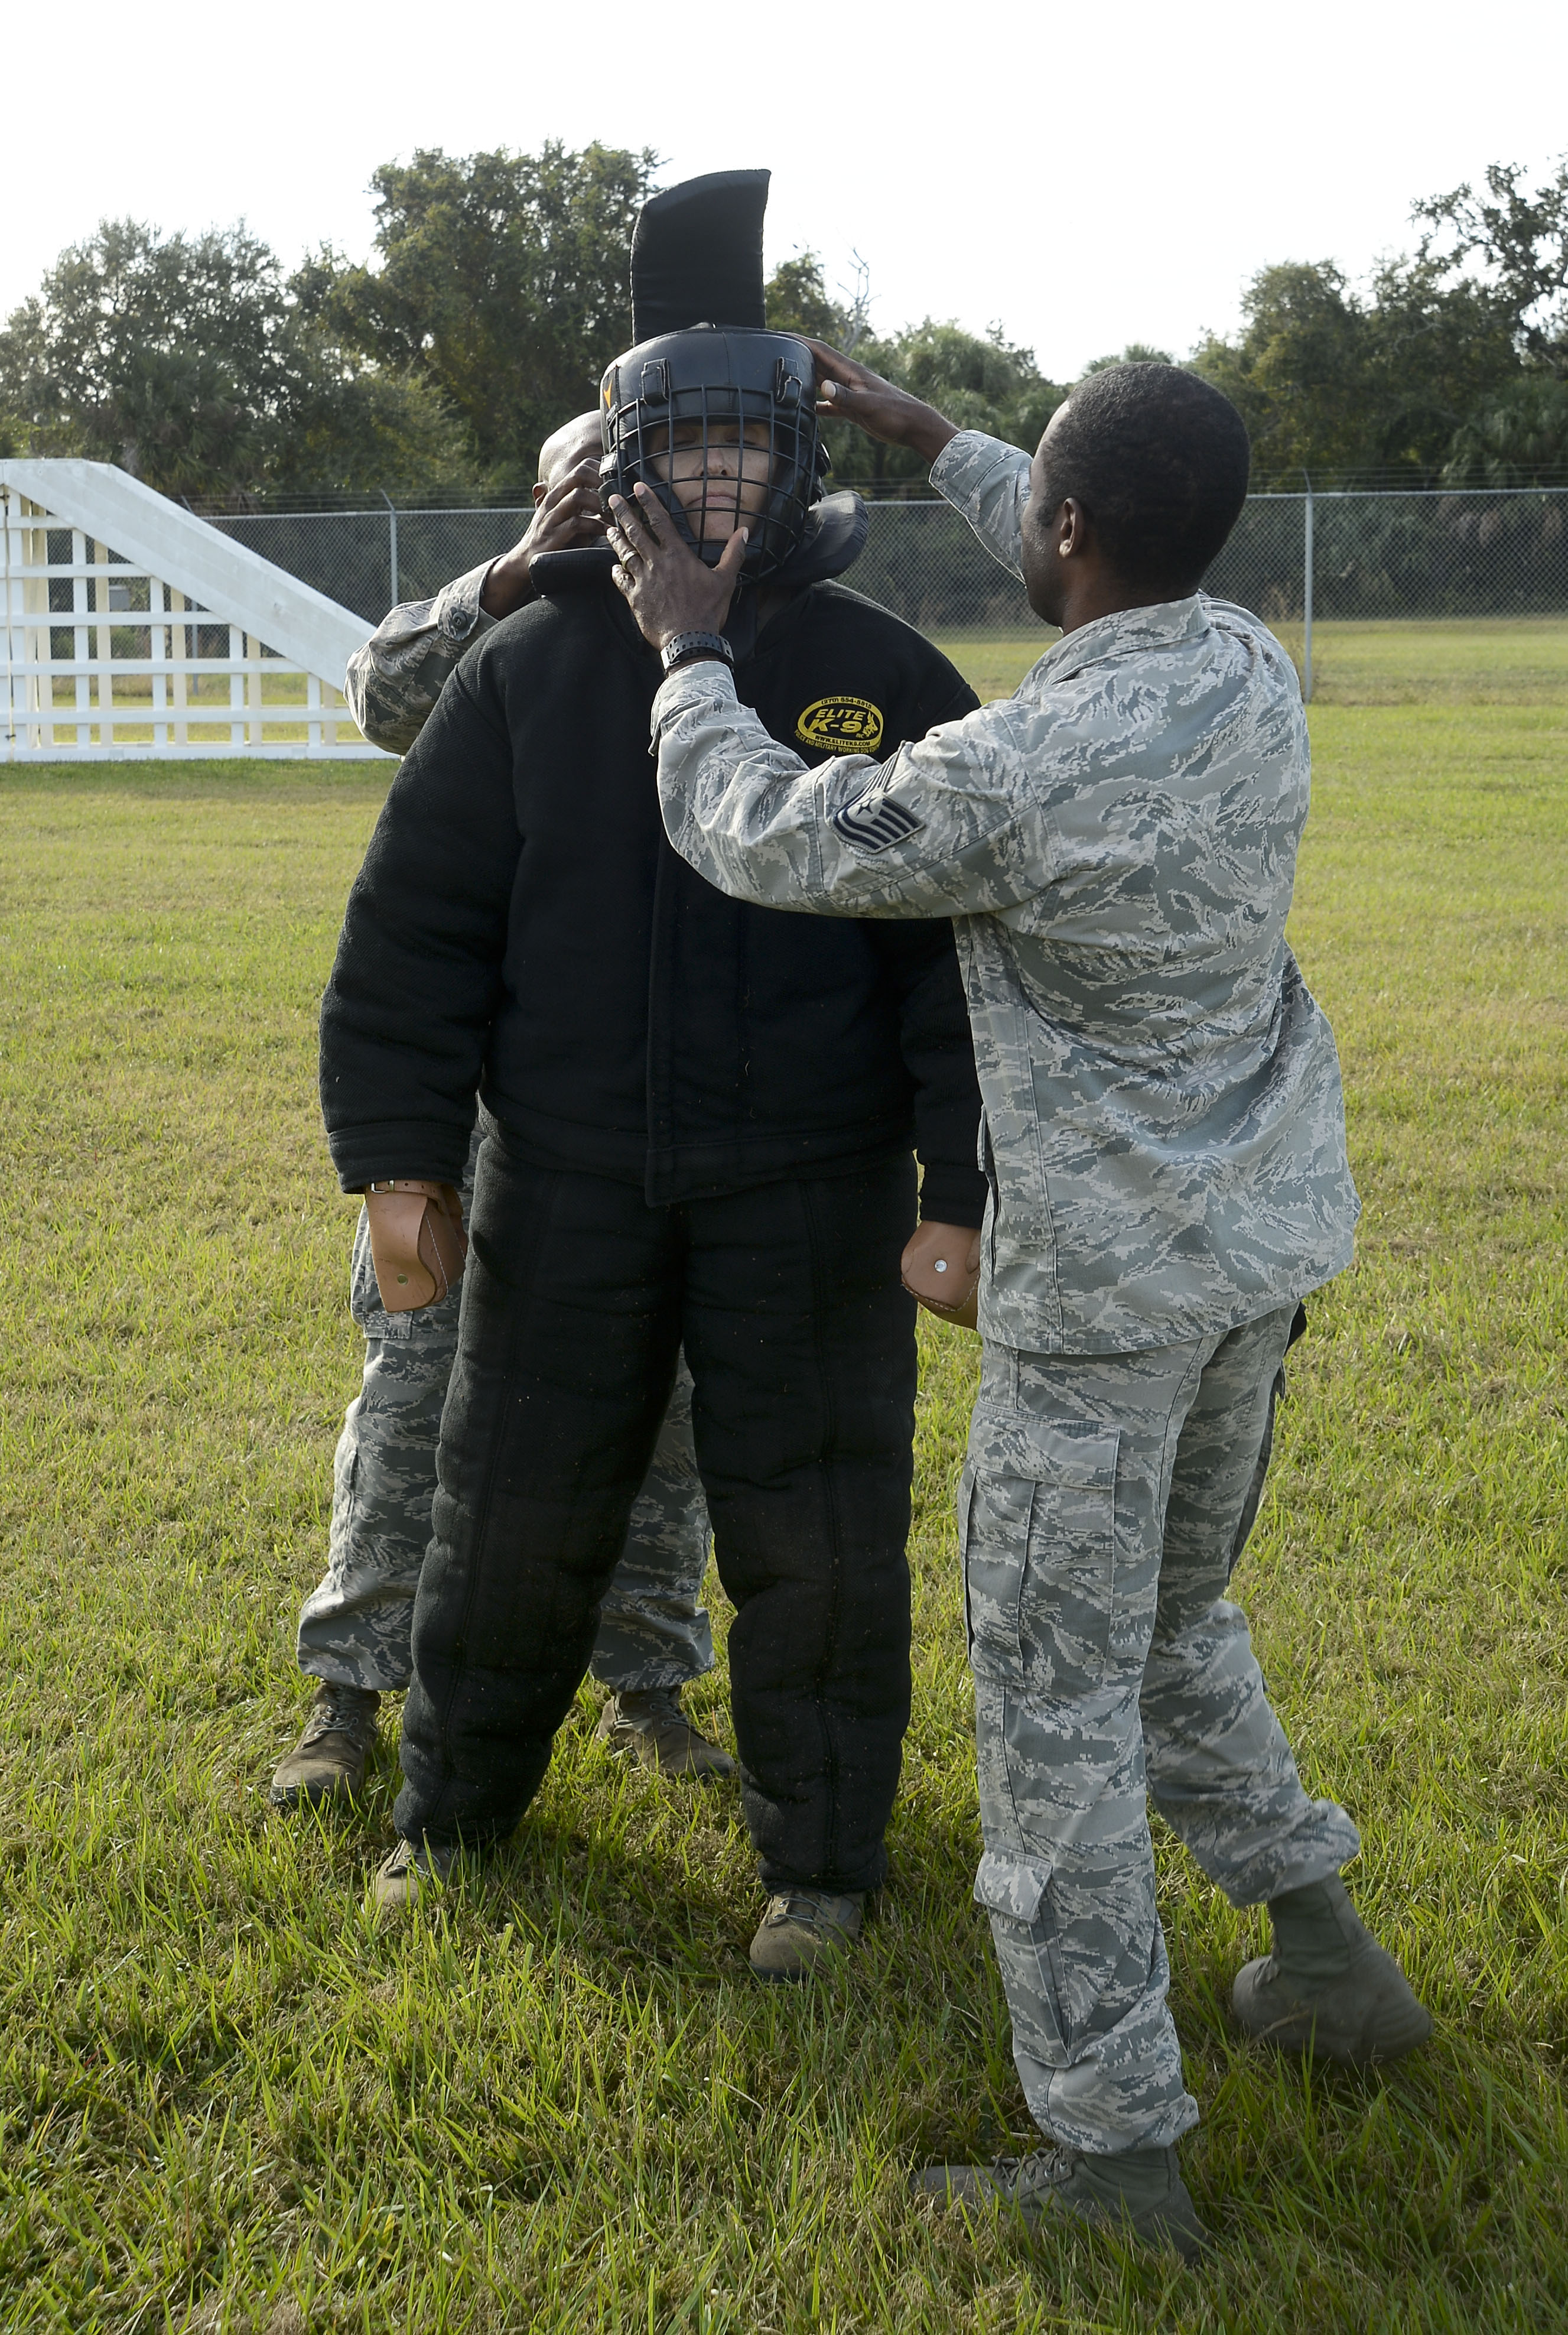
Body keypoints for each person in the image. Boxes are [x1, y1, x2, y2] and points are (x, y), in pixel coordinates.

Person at [607, 351, 1432, 2252]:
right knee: (1166, 1626)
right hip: (1252, 1264)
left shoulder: (1020, 767)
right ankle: (1324, 1961)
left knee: (1050, 1712)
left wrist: (685, 648)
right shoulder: (1240, 666)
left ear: (1068, 529)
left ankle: (1110, 2158)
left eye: (1029, 504)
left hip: (1100, 1307)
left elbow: (765, 834)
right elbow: (1082, 540)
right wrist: (925, 433)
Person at [317, 170, 990, 1977]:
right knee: (506, 1516)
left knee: (817, 1536)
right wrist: (401, 1164)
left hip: (808, 1197)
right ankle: (450, 1819)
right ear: (617, 467)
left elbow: (952, 966)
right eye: (677, 456)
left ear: (792, 460)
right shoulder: (527, 669)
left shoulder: (881, 677)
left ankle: (823, 1876)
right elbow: (414, 934)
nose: (713, 487)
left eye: (742, 454)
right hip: (568, 1182)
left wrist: (956, 1197)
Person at [269, 413, 737, 1812]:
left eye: (630, 490)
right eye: (581, 492)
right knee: (414, 1399)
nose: (614, 518)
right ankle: (349, 1692)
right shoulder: (503, 634)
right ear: (539, 500)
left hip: (644, 1104)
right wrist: (517, 569)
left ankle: (644, 1683)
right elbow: (378, 696)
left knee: (662, 1403)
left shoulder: (716, 635)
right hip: (472, 1111)